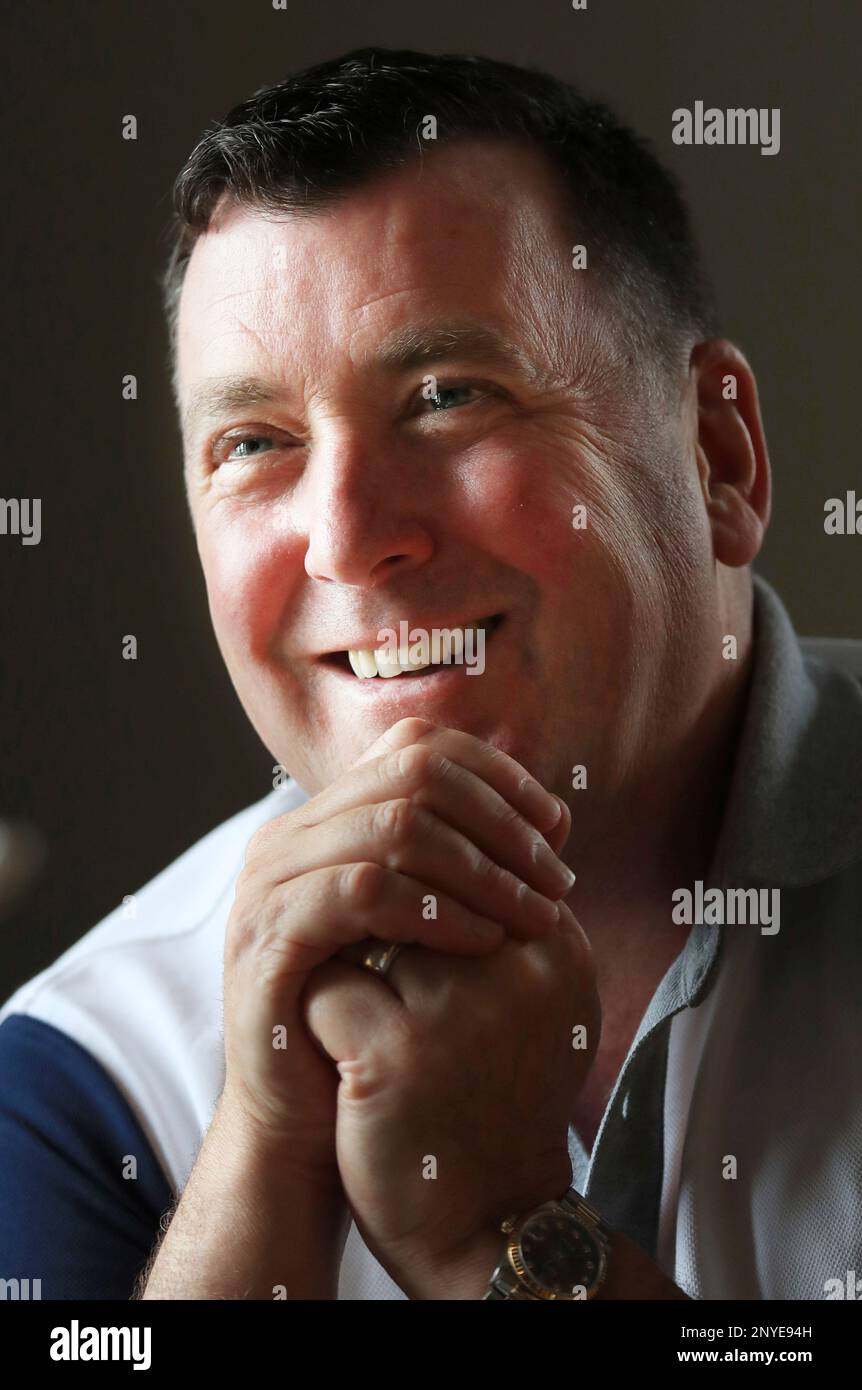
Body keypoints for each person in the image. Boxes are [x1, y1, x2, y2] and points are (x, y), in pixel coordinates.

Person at [1, 47, 860, 1302]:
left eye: (448, 395)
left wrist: (499, 1237)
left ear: (716, 454)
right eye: (255, 444)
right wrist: (262, 1179)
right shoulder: (78, 1082)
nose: (346, 535)